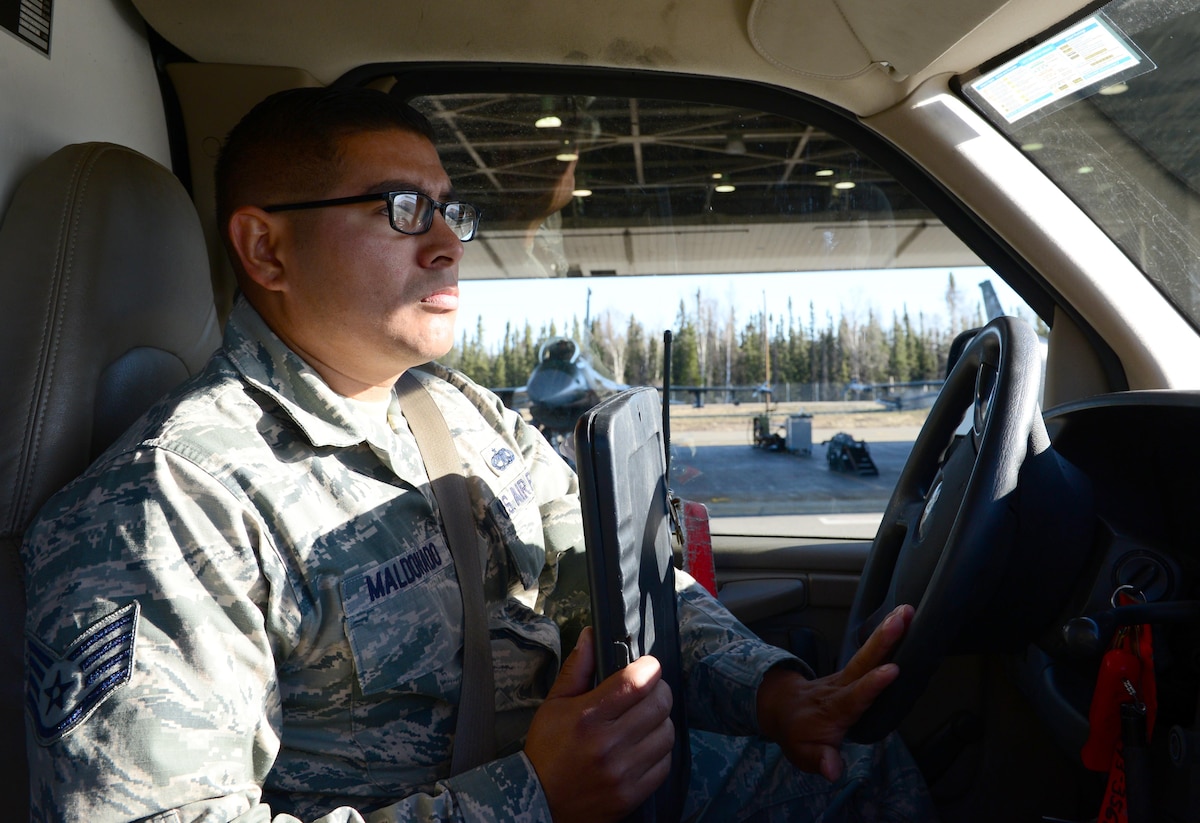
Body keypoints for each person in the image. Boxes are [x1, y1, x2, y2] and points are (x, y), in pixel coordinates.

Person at [22, 87, 934, 822]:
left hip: (593, 783)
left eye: (450, 209)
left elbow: (609, 571)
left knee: (866, 772)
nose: (449, 244)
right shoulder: (172, 505)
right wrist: (531, 798)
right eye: (402, 209)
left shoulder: (456, 412)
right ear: (266, 247)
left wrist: (771, 692)